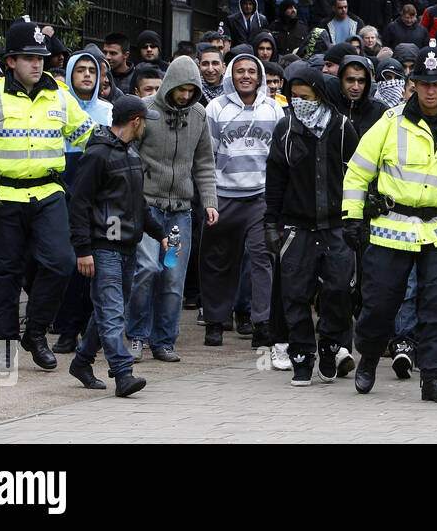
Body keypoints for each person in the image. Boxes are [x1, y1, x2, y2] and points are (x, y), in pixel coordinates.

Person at [345, 45, 437, 403]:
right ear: (413, 85)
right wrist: (352, 218)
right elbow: (358, 171)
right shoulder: (390, 123)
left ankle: (434, 377)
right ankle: (370, 358)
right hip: (393, 226)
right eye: (423, 83)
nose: (431, 90)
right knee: (379, 304)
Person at [0, 22, 94, 372]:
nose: (38, 65)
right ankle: (4, 344)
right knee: (4, 274)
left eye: (41, 58)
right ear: (11, 61)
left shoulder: (60, 94)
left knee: (61, 263)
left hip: (48, 193)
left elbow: (87, 137)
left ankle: (34, 331)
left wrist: (121, 137)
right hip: (1, 196)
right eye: (30, 58)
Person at [66, 96, 167, 397]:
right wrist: (83, 249)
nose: (146, 126)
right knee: (112, 313)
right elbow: (79, 203)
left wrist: (159, 233)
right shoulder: (98, 155)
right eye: (145, 121)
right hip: (104, 247)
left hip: (126, 248)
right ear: (136, 121)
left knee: (108, 310)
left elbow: (138, 205)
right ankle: (122, 373)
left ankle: (82, 362)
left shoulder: (130, 154)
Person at [266, 66, 358, 386]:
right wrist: (270, 222)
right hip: (296, 227)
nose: (299, 102)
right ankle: (302, 357)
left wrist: (356, 220)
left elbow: (358, 178)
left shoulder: (343, 128)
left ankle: (331, 347)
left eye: (305, 96)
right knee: (295, 295)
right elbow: (275, 179)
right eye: (294, 96)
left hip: (336, 226)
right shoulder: (285, 129)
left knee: (337, 292)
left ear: (319, 94)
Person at [129, 56, 218, 363]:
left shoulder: (199, 115)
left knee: (173, 276)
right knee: (147, 268)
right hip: (149, 208)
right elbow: (130, 152)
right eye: (181, 89)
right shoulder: (146, 111)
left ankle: (164, 340)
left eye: (191, 90)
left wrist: (209, 201)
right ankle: (136, 336)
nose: (185, 95)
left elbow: (204, 162)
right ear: (170, 85)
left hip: (180, 212)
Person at [199, 53, 282, 346]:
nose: (245, 76)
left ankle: (262, 323)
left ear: (259, 76)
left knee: (262, 258)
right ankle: (216, 321)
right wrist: (208, 195)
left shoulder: (274, 110)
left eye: (251, 71)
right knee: (219, 260)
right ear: (230, 76)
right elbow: (205, 155)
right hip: (222, 195)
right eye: (239, 71)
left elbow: (281, 156)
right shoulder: (214, 108)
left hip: (260, 196)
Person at [49, 47, 113, 352]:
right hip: (62, 191)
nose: (87, 75)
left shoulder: (108, 111)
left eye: (91, 70)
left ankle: (91, 329)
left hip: (97, 197)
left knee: (96, 264)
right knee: (66, 262)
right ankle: (65, 328)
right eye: (80, 70)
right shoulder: (56, 108)